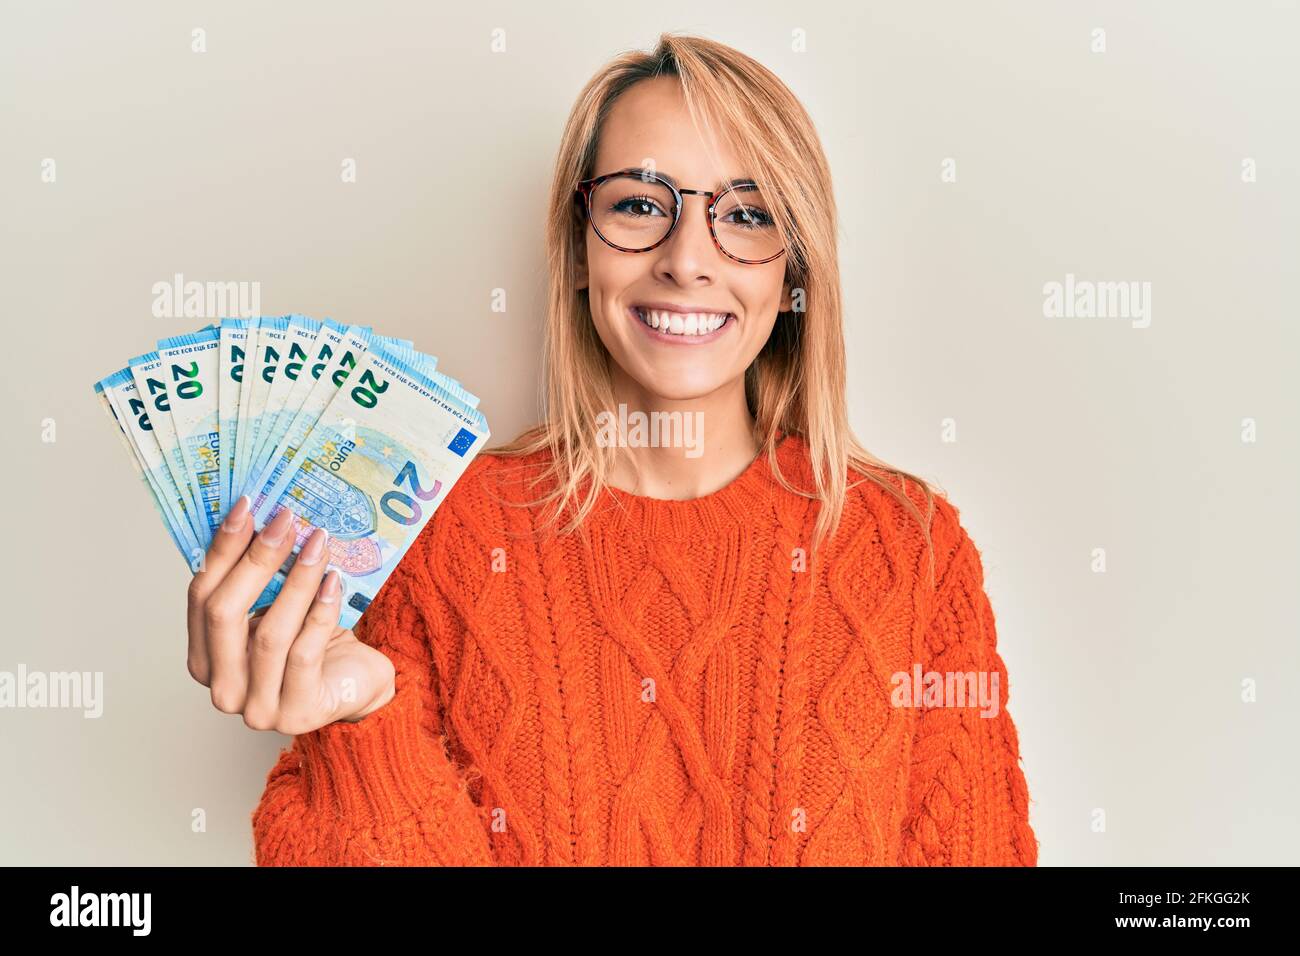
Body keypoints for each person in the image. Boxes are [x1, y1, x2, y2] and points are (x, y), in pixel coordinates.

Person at [186, 33, 1038, 866]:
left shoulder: (910, 552)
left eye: (745, 215)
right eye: (639, 204)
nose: (688, 260)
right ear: (579, 247)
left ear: (795, 273)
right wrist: (363, 729)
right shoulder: (444, 537)